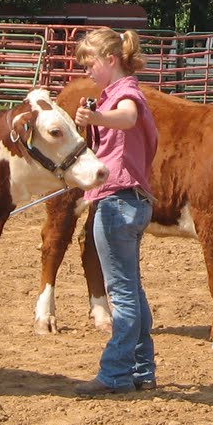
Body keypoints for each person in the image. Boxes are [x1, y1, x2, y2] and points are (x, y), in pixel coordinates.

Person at [72, 27, 160, 396]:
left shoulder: (125, 95)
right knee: (131, 291)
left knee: (122, 294)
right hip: (133, 201)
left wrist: (97, 120)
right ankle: (142, 370)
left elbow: (126, 118)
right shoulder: (117, 94)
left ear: (110, 60)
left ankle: (115, 375)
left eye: (90, 63)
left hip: (116, 201)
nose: (87, 70)